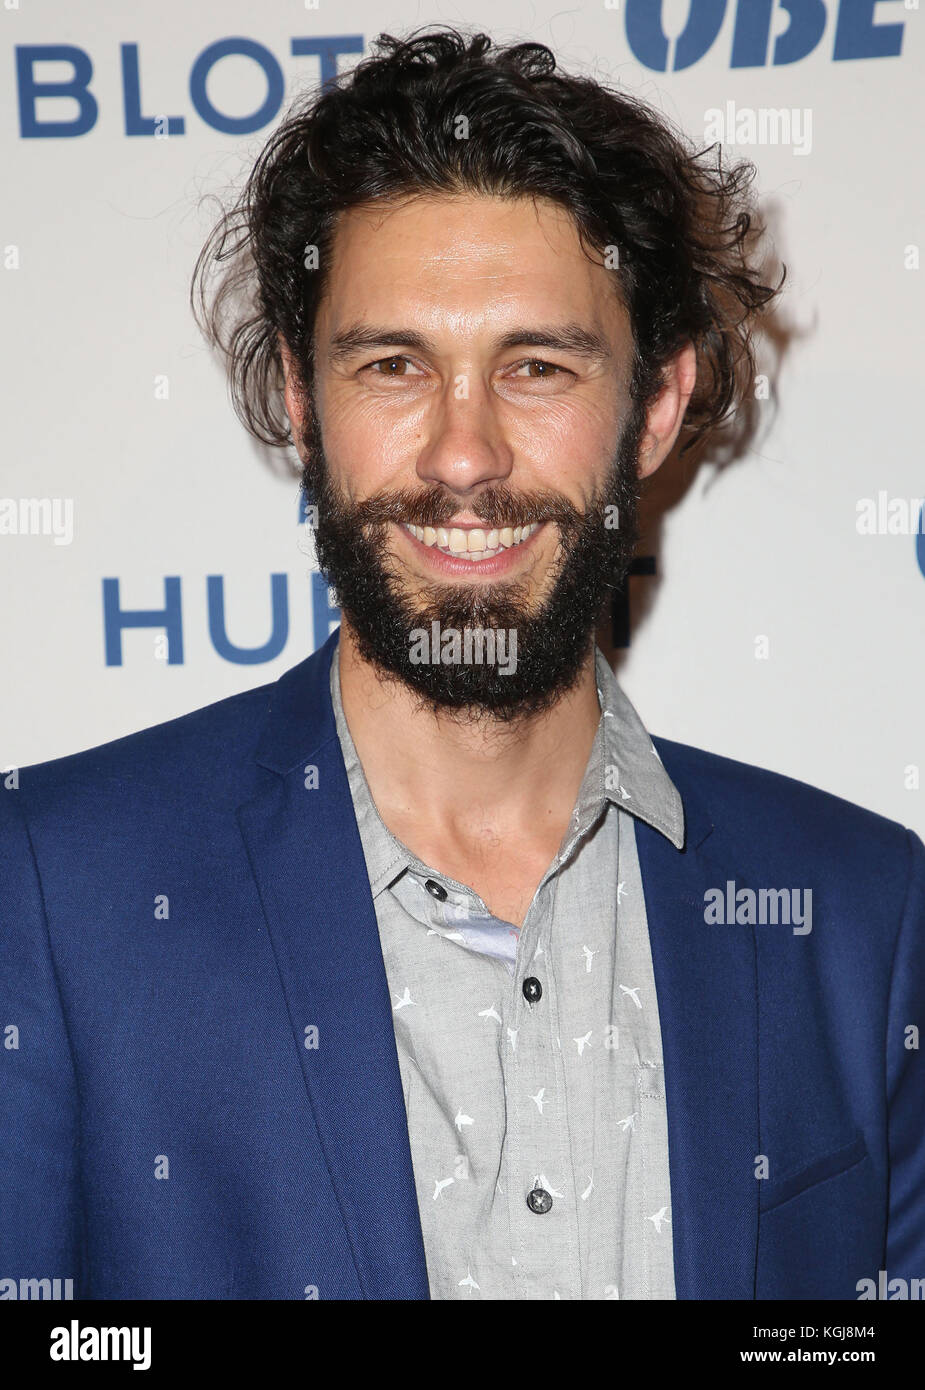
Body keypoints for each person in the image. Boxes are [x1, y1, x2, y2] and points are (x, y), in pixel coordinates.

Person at [2, 27, 922, 1302]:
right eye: (394, 366)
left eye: (536, 367)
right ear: (305, 403)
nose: (462, 454)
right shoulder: (52, 890)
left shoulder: (860, 915)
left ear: (654, 407)